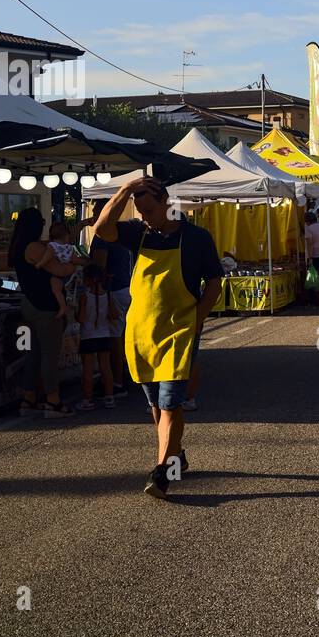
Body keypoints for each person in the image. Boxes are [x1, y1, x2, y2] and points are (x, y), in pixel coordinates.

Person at [93, 176, 222, 500]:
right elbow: (101, 229)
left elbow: (215, 282)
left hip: (179, 331)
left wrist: (197, 320)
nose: (143, 216)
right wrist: (123, 191)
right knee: (155, 404)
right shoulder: (138, 233)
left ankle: (161, 471)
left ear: (167, 202)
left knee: (170, 405)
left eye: (148, 209)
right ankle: (175, 452)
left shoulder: (196, 238)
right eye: (139, 210)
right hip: (142, 331)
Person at [9, 207, 79, 418]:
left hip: (29, 303)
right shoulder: (33, 247)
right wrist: (73, 265)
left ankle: (29, 397)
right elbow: (60, 269)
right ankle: (53, 400)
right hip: (45, 306)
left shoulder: (19, 246)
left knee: (34, 353)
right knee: (50, 354)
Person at [89, 200, 132, 397]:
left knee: (114, 339)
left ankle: (117, 383)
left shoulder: (102, 236)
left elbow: (99, 267)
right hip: (125, 288)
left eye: (97, 210)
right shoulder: (120, 233)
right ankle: (121, 377)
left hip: (112, 291)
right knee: (121, 337)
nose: (93, 214)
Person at [76, 264, 120, 411]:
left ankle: (87, 400)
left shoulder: (84, 296)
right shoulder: (107, 295)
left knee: (88, 369)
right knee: (106, 367)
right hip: (104, 334)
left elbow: (81, 319)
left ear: (87, 279)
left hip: (88, 336)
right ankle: (109, 397)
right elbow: (115, 314)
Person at [45, 222, 88, 319]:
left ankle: (63, 306)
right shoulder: (69, 247)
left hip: (59, 276)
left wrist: (39, 264)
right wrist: (85, 261)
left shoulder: (51, 246)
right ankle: (68, 306)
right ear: (66, 236)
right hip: (70, 276)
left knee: (56, 290)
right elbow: (75, 260)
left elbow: (47, 258)